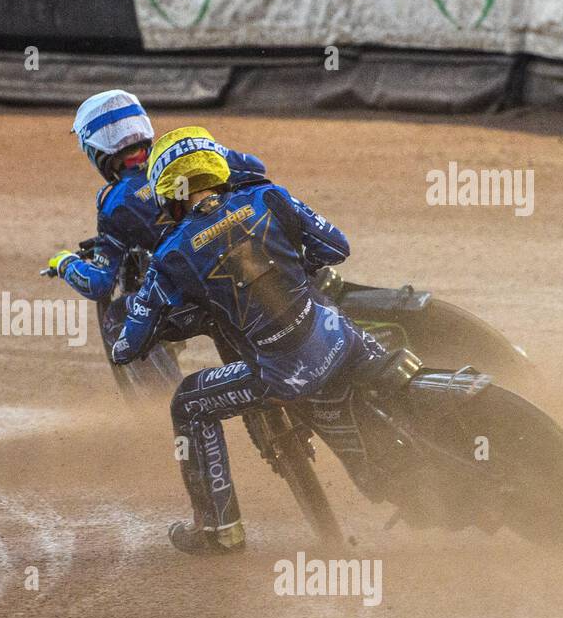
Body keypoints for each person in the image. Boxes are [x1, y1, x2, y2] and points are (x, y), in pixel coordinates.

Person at [110, 127, 385, 555]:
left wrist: (137, 331)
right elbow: (336, 248)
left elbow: (128, 346)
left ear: (169, 193)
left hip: (283, 374)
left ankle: (219, 530)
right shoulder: (269, 196)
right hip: (341, 337)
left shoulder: (171, 255)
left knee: (188, 403)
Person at [45, 91, 268, 350]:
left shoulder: (116, 203)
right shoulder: (190, 151)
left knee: (118, 318)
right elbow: (255, 168)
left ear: (97, 150)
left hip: (207, 295)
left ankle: (156, 391)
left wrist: (64, 263)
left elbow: (99, 285)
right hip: (261, 256)